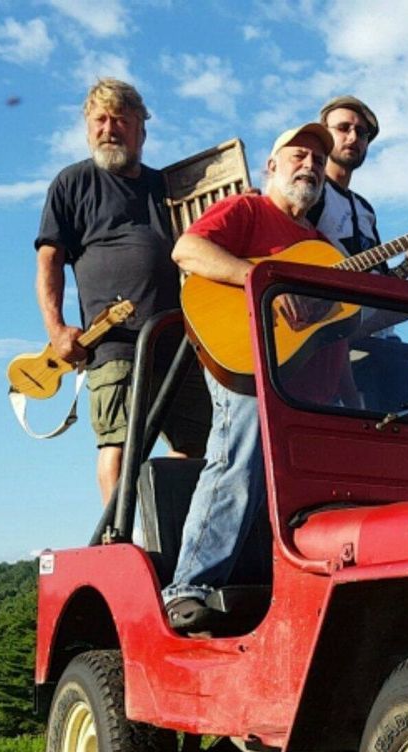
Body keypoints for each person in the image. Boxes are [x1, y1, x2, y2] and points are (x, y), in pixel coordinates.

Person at [162, 121, 345, 633]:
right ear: (271, 166)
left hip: (299, 383)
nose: (309, 165)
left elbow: (333, 330)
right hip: (242, 355)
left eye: (316, 160)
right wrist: (260, 280)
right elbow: (187, 251)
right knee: (237, 459)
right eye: (297, 155)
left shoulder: (322, 247)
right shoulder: (246, 210)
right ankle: (187, 586)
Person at [35, 78, 209, 504]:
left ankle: (176, 536)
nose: (109, 128)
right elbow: (49, 261)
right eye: (101, 120)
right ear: (87, 127)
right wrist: (57, 328)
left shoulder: (166, 187)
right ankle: (119, 540)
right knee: (118, 443)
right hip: (114, 341)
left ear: (141, 132)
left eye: (121, 121)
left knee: (198, 443)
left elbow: (208, 235)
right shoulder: (72, 183)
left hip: (180, 339)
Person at [312, 95, 408, 409]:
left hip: (380, 339)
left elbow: (378, 279)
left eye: (362, 133)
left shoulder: (365, 209)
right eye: (343, 128)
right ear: (323, 135)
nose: (353, 137)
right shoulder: (310, 192)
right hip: (333, 339)